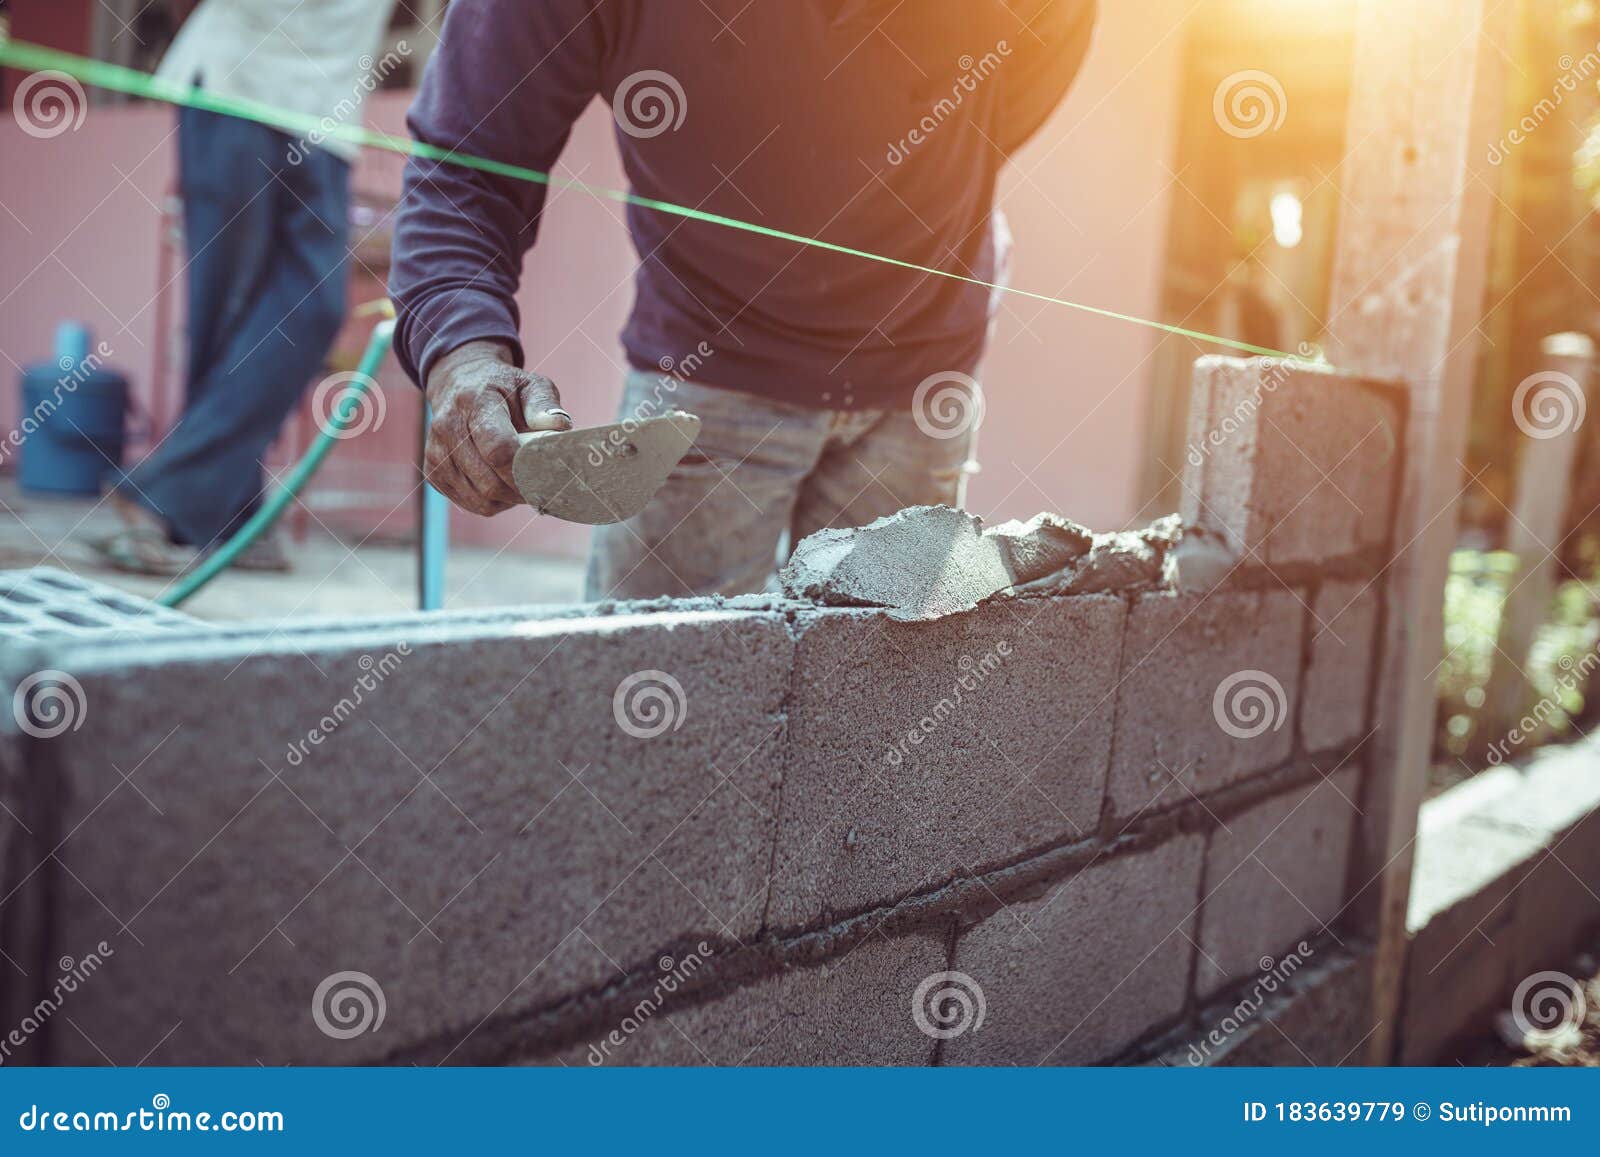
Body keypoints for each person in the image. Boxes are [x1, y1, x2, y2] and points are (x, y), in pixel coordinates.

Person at [391, 0, 1097, 599]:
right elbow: (467, 167)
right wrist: (463, 354)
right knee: (658, 697)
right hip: (708, 371)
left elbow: (1039, 57)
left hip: (922, 373)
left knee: (886, 709)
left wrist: (920, 155)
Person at [96, 0, 397, 574]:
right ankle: (213, 512)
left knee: (315, 310)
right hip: (236, 82)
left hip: (326, 116)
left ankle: (192, 500)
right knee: (227, 307)